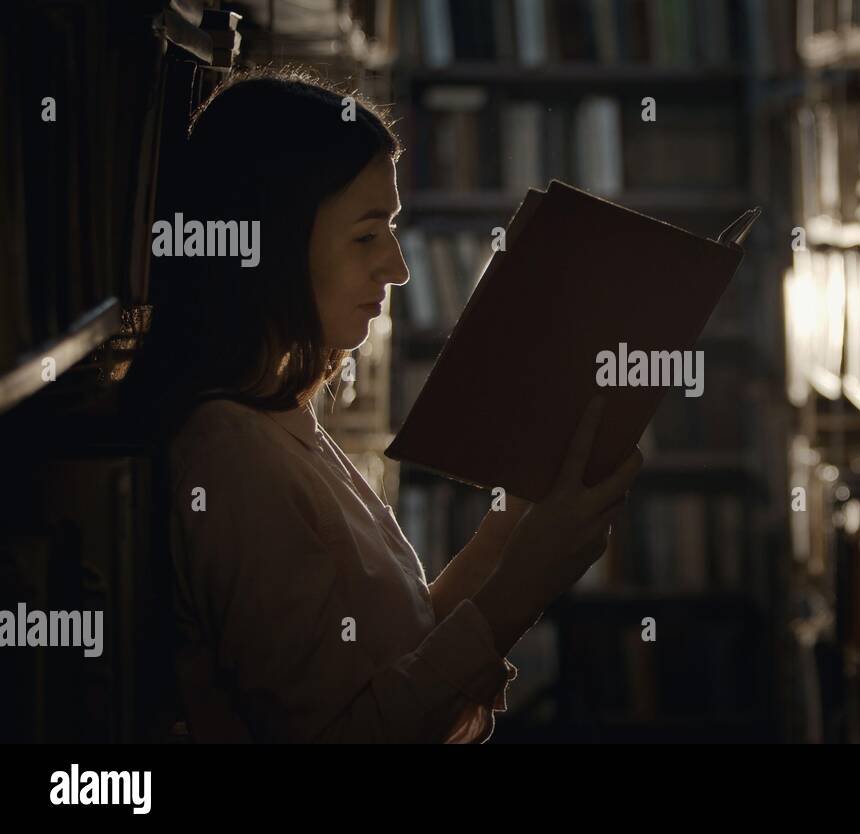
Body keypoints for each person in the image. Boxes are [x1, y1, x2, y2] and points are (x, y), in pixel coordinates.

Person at [121, 69, 642, 743]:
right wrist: (523, 588)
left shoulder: (277, 419)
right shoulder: (228, 454)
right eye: (367, 235)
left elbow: (393, 658)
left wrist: (517, 519)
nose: (397, 267)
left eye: (392, 229)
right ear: (273, 246)